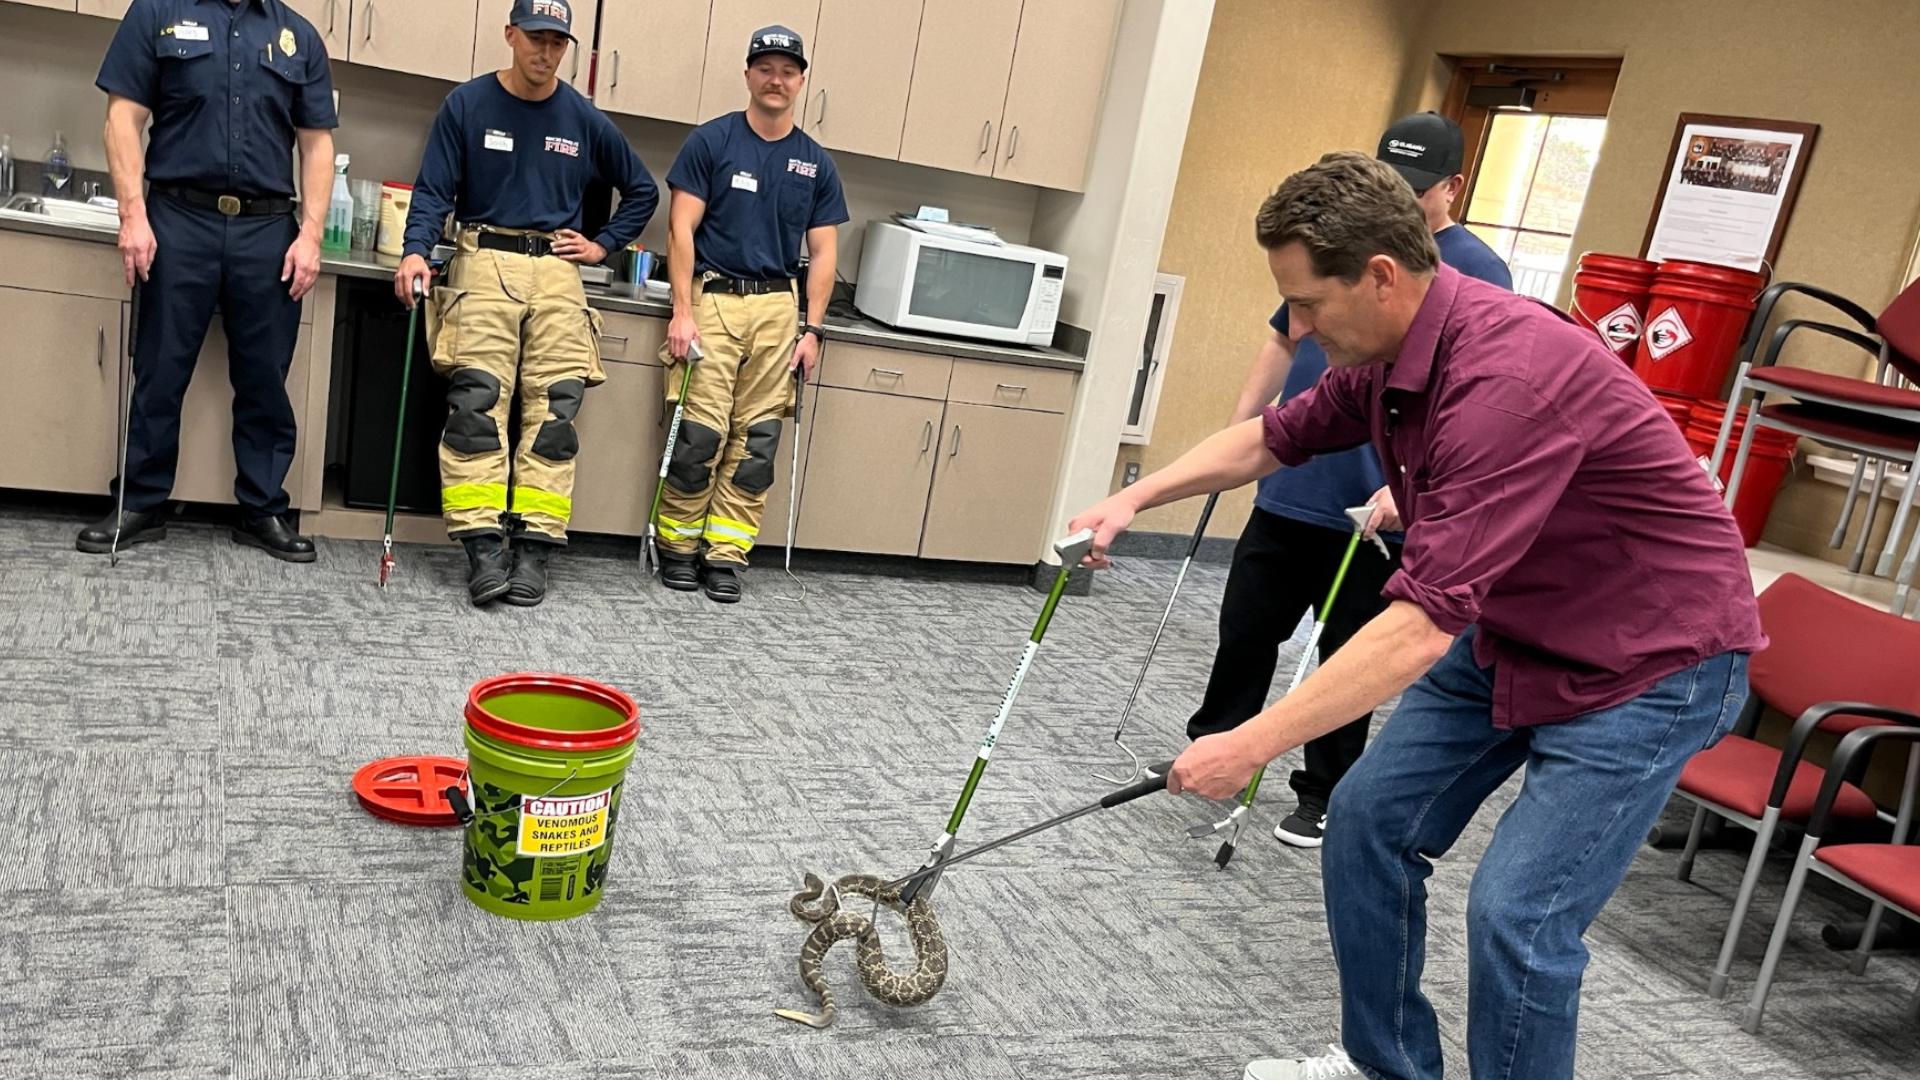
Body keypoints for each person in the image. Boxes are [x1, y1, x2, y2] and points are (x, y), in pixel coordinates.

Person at [1069, 152, 1765, 1080]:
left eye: (1309, 302)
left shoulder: (1504, 382)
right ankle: (1386, 1065)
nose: (1299, 326)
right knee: (1365, 823)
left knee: (1518, 915)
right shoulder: (1392, 353)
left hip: (1649, 664)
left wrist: (1253, 742)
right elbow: (1275, 437)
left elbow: (1418, 627)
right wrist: (1132, 497)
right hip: (1520, 628)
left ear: (1383, 275)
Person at [1189, 113, 1513, 850]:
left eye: (1413, 185)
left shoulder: (1475, 275)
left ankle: (1322, 790)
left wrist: (1412, 490)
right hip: (1296, 485)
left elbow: (1467, 412)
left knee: (1352, 648)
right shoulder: (1331, 253)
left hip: (1377, 508)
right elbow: (1285, 344)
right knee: (1247, 627)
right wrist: (1233, 429)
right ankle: (1217, 749)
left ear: (1451, 188)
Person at [395, 0, 658, 607]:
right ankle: (483, 549)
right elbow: (434, 190)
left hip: (558, 275)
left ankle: (535, 548)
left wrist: (604, 246)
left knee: (554, 418)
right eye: (535, 38)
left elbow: (642, 189)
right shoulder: (467, 104)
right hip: (483, 262)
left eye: (557, 42)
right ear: (510, 34)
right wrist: (414, 252)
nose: (545, 52)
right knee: (475, 408)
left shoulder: (584, 118)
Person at [81, 0, 339, 561]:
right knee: (159, 366)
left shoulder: (298, 36)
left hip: (268, 228)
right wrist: (132, 216)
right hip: (178, 218)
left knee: (266, 378)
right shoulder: (157, 12)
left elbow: (317, 143)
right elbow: (122, 117)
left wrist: (312, 235)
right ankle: (141, 501)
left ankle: (262, 507)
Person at [655, 24, 848, 603]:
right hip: (714, 302)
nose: (776, 79)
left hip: (777, 311)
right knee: (697, 435)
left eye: (788, 70)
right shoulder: (711, 143)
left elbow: (823, 253)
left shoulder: (815, 164)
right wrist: (681, 310)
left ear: (802, 81)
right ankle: (677, 547)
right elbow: (679, 228)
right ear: (747, 74)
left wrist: (812, 330)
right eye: (765, 67)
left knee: (756, 443)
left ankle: (725, 555)